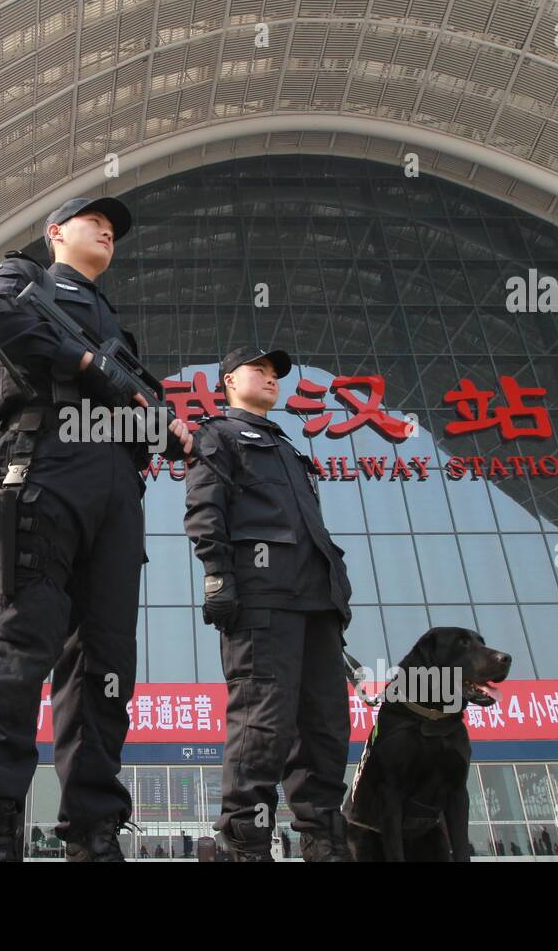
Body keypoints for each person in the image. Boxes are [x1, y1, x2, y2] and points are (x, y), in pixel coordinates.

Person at [0, 196, 194, 861]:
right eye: (93, 222)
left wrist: (168, 428)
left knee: (105, 670)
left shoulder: (115, 325)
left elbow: (141, 414)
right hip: (44, 469)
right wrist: (89, 367)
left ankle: (95, 830)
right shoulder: (23, 278)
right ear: (55, 232)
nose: (107, 232)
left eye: (114, 230)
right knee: (18, 646)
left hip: (115, 498)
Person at [182, 347, 354, 862]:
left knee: (324, 729)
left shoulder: (288, 449)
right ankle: (244, 843)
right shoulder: (219, 435)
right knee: (263, 723)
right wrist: (217, 576)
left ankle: (323, 842)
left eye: (276, 372)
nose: (271, 377)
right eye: (259, 369)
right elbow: (204, 509)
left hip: (316, 604)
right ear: (229, 381)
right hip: (262, 601)